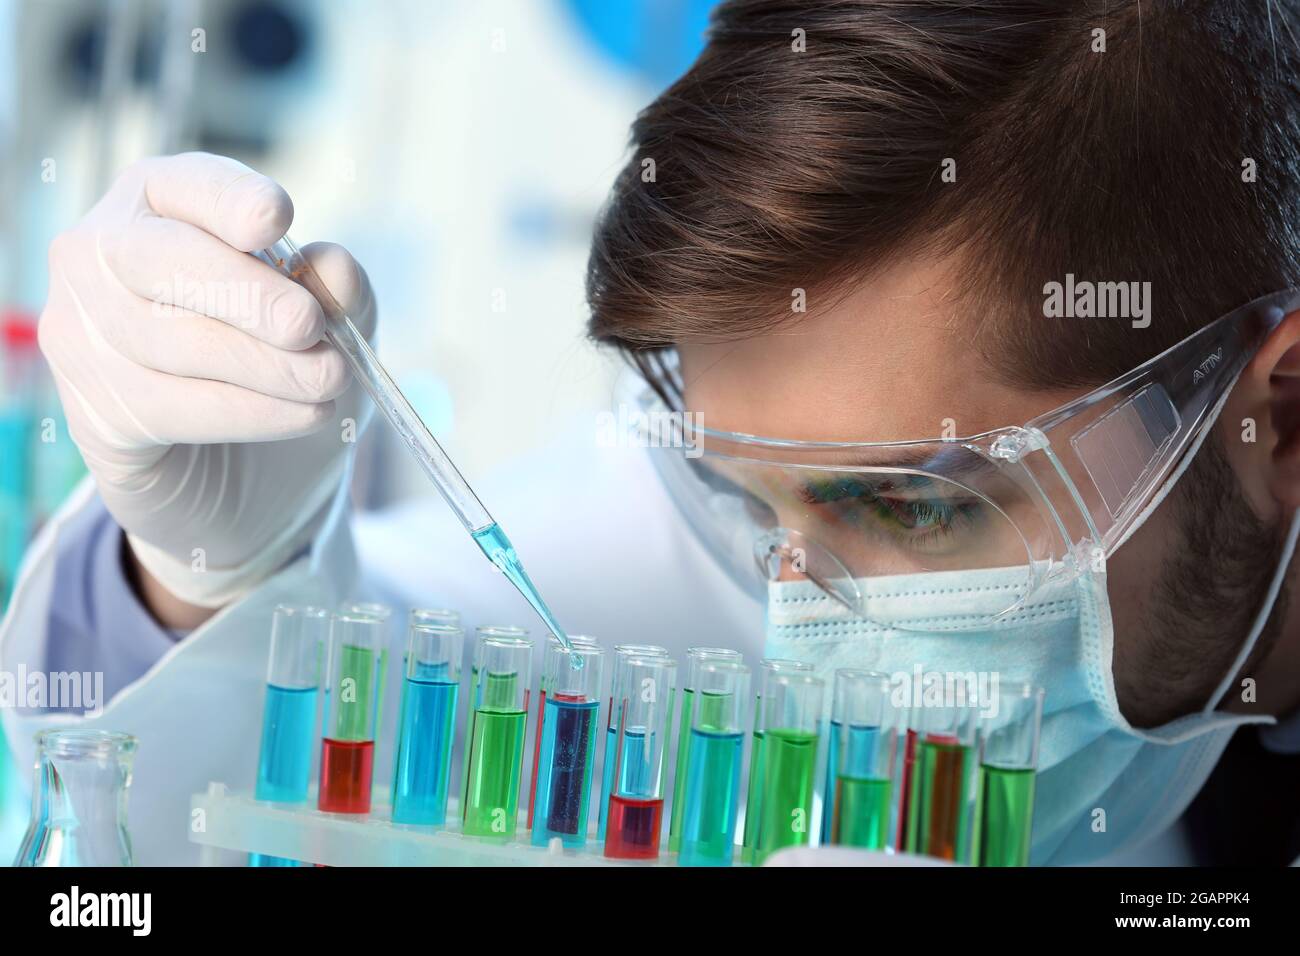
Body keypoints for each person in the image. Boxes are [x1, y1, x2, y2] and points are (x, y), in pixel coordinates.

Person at [3, 0, 1299, 866]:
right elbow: (396, 688)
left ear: (1276, 417)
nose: (801, 621)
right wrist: (198, 585)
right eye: (745, 505)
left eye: (912, 506)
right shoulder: (763, 506)